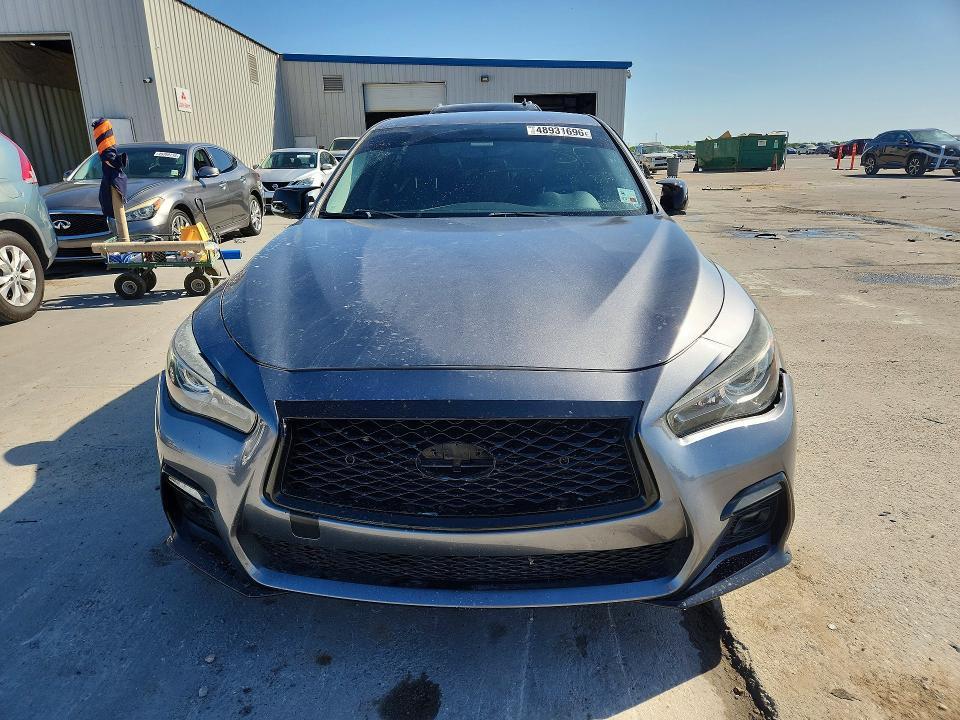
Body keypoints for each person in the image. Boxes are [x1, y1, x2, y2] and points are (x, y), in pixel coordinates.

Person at [91, 118, 129, 241]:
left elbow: (110, 158)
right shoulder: (108, 163)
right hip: (112, 219)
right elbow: (110, 158)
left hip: (119, 219)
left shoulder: (110, 163)